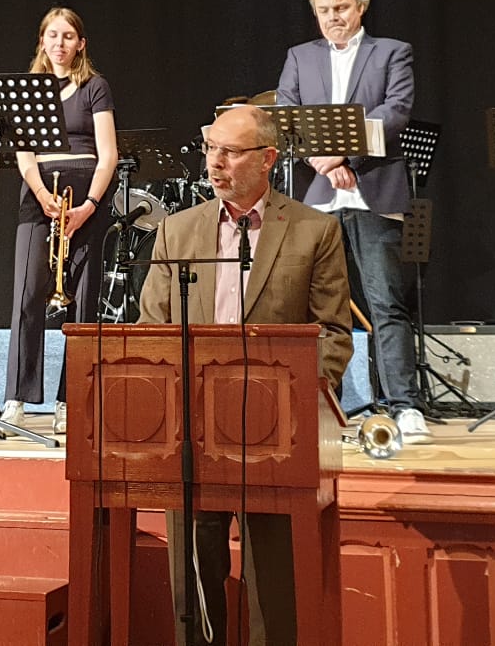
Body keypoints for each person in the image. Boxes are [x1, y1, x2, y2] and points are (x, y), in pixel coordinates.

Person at [137, 105, 353, 646]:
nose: (215, 162)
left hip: (275, 438)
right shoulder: (177, 233)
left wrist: (296, 405)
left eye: (230, 152)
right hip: (192, 435)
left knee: (274, 593)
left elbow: (333, 335)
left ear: (268, 160)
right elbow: (150, 334)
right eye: (212, 148)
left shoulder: (314, 230)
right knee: (194, 593)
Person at [275, 0, 426, 441]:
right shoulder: (300, 56)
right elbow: (285, 113)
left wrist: (345, 155)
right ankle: (321, 404)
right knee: (317, 310)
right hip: (320, 197)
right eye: (323, 10)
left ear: (359, 7)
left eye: (340, 8)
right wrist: (323, 162)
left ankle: (404, 405)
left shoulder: (391, 52)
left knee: (385, 303)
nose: (332, 17)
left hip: (374, 192)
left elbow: (395, 111)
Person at [5, 7, 118, 434]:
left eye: (68, 36)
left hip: (86, 193)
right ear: (41, 41)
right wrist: (39, 192)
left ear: (81, 43)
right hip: (40, 195)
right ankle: (17, 396)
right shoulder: (29, 90)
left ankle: (71, 400)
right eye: (52, 35)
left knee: (84, 301)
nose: (60, 43)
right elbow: (23, 153)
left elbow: (109, 154)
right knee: (27, 294)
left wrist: (89, 203)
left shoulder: (95, 86)